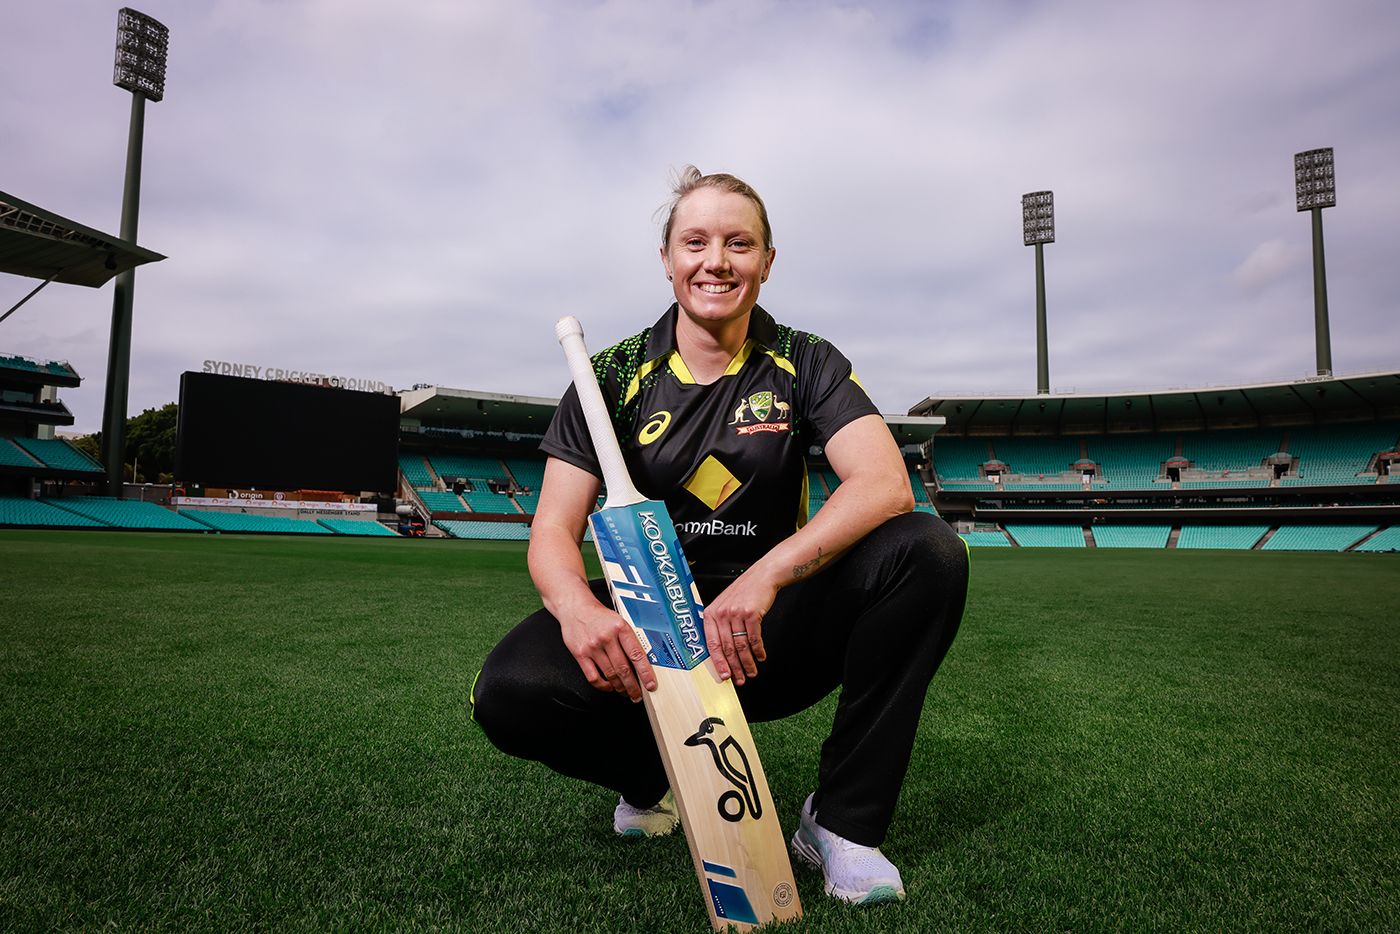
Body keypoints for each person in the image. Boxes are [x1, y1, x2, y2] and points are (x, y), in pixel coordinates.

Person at [472, 166, 968, 905]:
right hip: (651, 632)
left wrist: (766, 576)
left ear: (767, 261)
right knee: (509, 692)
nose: (717, 261)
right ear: (669, 260)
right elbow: (552, 530)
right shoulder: (609, 375)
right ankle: (652, 776)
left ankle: (841, 823)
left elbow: (884, 484)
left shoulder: (804, 359)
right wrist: (580, 612)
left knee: (927, 552)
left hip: (768, 631)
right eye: (696, 242)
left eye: (740, 243)